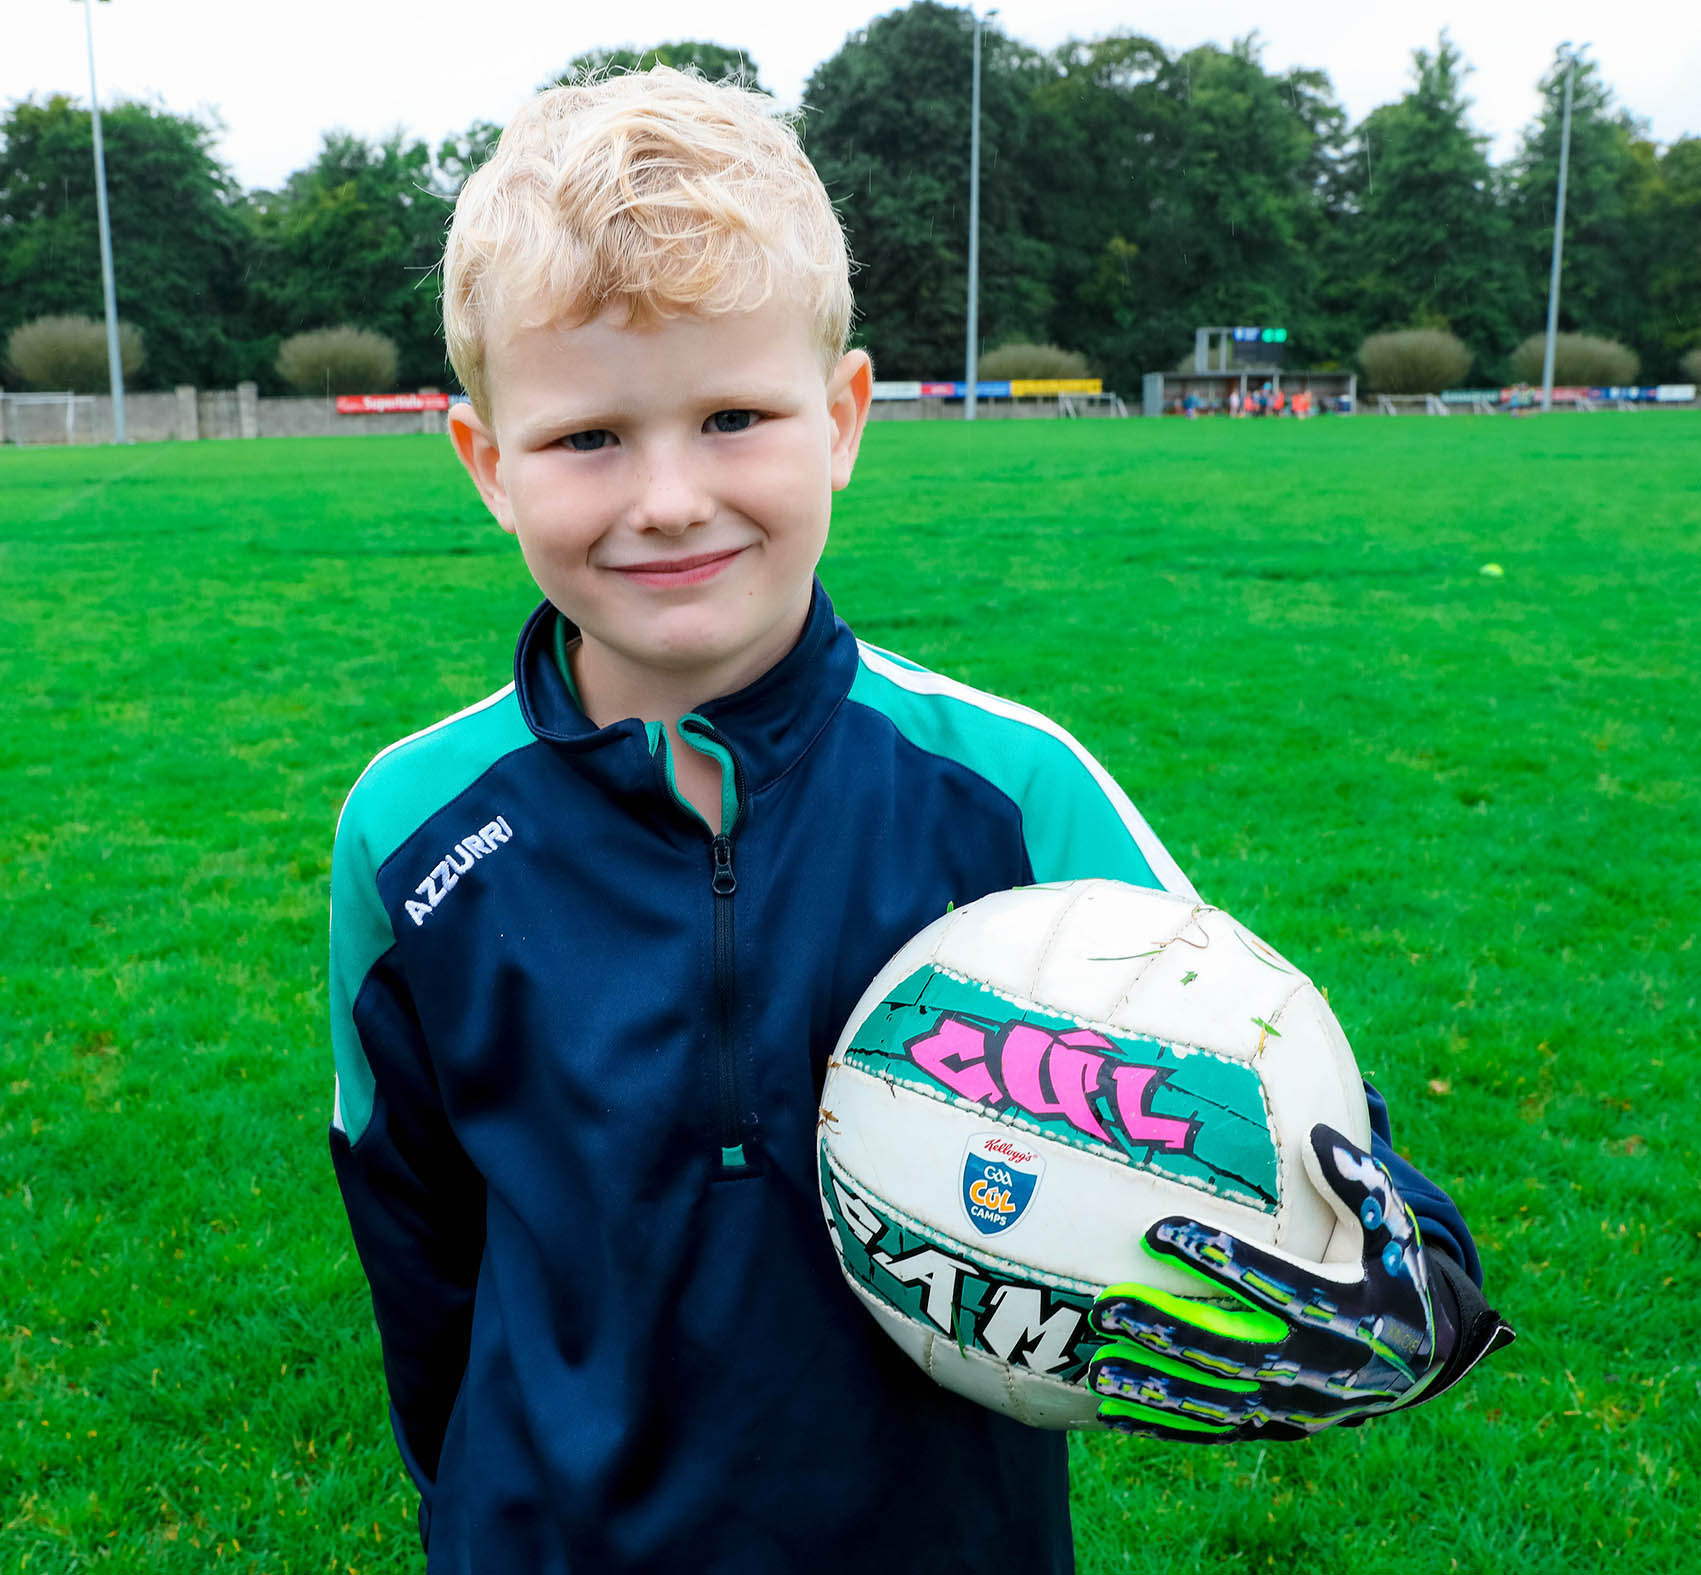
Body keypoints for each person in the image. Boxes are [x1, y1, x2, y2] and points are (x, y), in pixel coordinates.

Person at [327, 68, 1513, 1575]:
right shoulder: (413, 831)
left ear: (842, 419)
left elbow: (1263, 1109)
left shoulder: (1010, 790)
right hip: (544, 1540)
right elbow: (416, 1237)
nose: (672, 496)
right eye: (588, 439)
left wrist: (1411, 1277)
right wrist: (468, 1504)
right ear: (487, 462)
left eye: (734, 415)